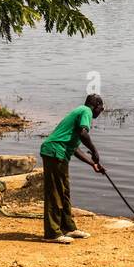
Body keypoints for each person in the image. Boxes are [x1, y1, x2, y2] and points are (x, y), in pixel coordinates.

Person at [40, 94, 106, 244]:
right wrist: (95, 151)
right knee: (55, 193)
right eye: (101, 108)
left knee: (64, 192)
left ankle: (68, 228)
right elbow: (83, 133)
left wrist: (93, 164)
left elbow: (75, 148)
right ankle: (52, 233)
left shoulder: (80, 112)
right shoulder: (86, 111)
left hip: (60, 154)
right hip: (54, 152)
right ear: (95, 105)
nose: (101, 111)